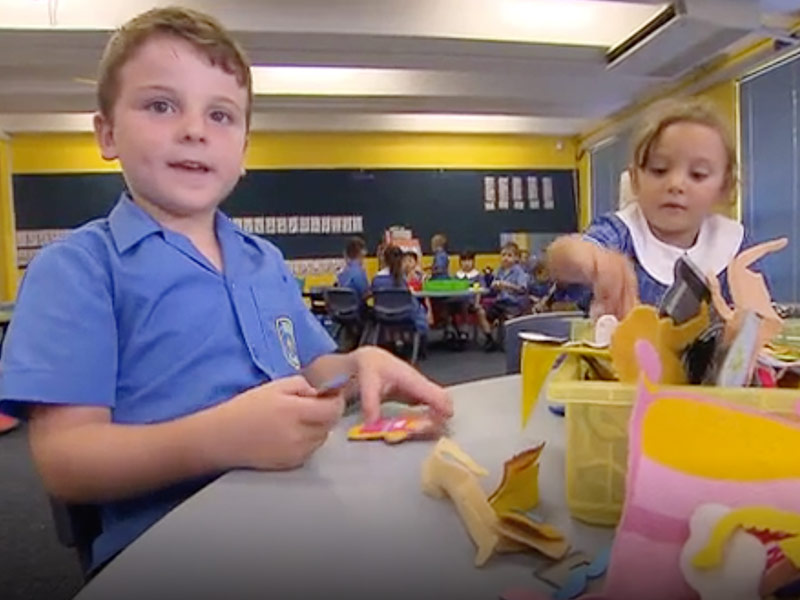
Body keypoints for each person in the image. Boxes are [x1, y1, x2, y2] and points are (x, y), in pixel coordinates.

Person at [0, 7, 451, 574]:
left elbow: (314, 372)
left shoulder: (263, 260)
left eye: (221, 114)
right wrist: (221, 438)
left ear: (242, 153)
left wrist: (360, 362)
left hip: (308, 510)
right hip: (172, 549)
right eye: (161, 105)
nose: (194, 129)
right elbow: (67, 461)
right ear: (107, 133)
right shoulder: (78, 270)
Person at [547, 97, 748, 320]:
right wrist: (595, 260)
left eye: (698, 174)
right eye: (659, 170)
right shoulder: (621, 233)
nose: (676, 184)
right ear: (635, 179)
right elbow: (562, 257)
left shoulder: (733, 245)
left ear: (724, 185)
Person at [477, 242, 530, 351]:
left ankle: (511, 342)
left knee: (509, 317)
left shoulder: (519, 272)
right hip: (500, 302)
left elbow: (522, 289)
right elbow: (493, 289)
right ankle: (489, 339)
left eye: (509, 255)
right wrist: (494, 286)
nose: (505, 258)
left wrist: (507, 286)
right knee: (480, 311)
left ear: (516, 258)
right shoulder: (499, 270)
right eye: (503, 255)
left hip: (514, 303)